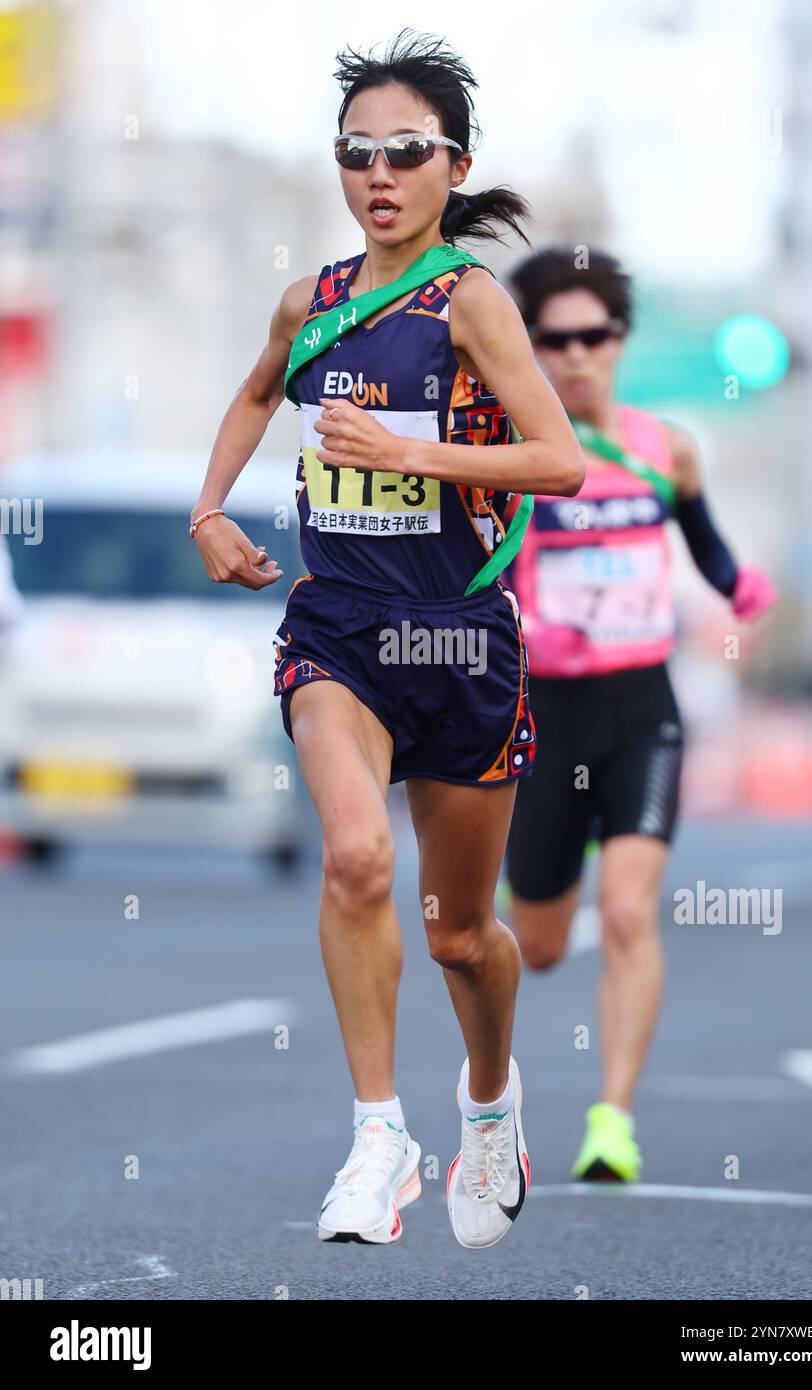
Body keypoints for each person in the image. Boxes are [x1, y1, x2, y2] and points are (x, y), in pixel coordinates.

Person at [189, 32, 583, 1247]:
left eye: (406, 153)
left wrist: (410, 451)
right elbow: (260, 392)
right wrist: (210, 508)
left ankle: (486, 1102)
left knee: (459, 931)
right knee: (356, 856)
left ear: (451, 166)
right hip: (340, 627)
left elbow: (558, 460)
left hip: (461, 638)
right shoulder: (308, 302)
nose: (379, 174)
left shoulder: (470, 303)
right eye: (357, 154)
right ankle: (377, 1134)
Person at [502, 246, 775, 1183]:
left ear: (620, 341)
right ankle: (549, 859)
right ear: (530, 348)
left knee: (627, 912)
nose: (576, 356)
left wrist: (741, 588)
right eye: (554, 340)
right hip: (541, 716)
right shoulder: (510, 455)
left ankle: (611, 1119)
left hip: (639, 709)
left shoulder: (668, 447)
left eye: (595, 336)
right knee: (536, 947)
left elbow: (706, 544)